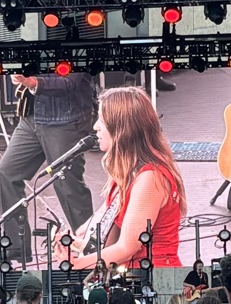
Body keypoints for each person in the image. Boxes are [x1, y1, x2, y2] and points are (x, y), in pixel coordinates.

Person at [61, 86, 185, 270]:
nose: (95, 126)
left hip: (154, 275)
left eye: (102, 120)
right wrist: (72, 244)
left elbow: (127, 247)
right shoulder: (126, 172)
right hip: (130, 272)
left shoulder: (150, 178)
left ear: (122, 129)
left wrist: (77, 264)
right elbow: (99, 234)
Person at [0, 70, 98, 266]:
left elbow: (70, 83)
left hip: (67, 120)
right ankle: (16, 246)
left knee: (67, 184)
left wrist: (32, 82)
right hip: (33, 117)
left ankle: (90, 248)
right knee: (6, 172)